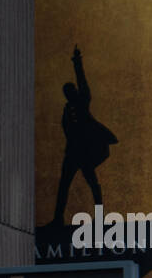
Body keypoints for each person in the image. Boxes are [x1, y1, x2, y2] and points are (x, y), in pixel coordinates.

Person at [50, 45, 119, 226]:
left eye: (71, 91)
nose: (69, 94)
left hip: (86, 151)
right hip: (72, 152)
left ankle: (100, 216)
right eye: (66, 92)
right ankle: (58, 219)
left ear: (75, 92)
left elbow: (82, 80)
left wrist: (77, 61)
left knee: (92, 182)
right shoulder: (67, 110)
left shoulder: (82, 101)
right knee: (64, 185)